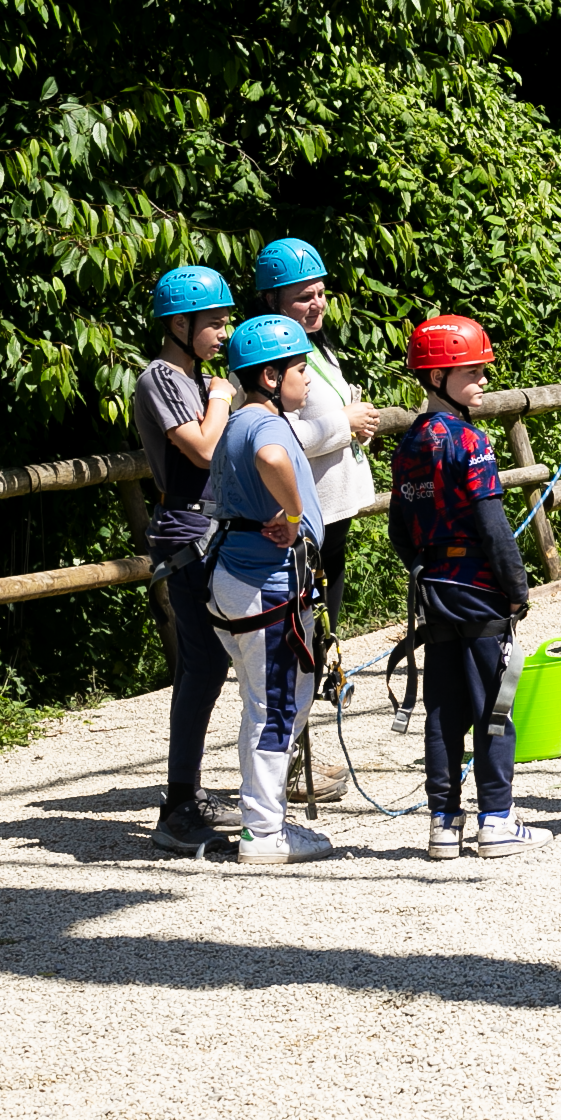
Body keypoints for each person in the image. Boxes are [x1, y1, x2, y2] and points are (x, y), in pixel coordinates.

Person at [390, 314, 547, 860]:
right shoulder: (470, 442)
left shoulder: (409, 442)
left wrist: (429, 565)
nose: (482, 380)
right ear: (437, 379)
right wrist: (516, 588)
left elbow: (397, 529)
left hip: (434, 589)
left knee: (443, 708)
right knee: (495, 706)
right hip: (479, 589)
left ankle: (442, 823)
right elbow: (493, 525)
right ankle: (497, 819)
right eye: (471, 371)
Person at [252, 236, 382, 806]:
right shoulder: (264, 362)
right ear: (274, 298)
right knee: (303, 632)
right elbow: (274, 438)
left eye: (321, 292)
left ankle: (304, 750)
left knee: (324, 629)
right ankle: (291, 757)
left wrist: (355, 422)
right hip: (305, 516)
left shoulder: (316, 350)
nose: (317, 303)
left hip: (336, 510)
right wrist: (344, 423)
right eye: (304, 295)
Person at [206, 314, 334, 865]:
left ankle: (267, 819)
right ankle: (263, 832)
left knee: (268, 703)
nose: (306, 380)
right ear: (269, 377)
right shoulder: (267, 427)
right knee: (275, 707)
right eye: (300, 369)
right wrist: (295, 511)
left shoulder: (236, 421)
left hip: (237, 580)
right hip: (266, 585)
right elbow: (273, 459)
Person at [135, 266, 243, 855]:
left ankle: (189, 792)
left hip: (216, 526)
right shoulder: (161, 378)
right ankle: (177, 806)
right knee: (201, 664)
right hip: (186, 533)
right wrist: (224, 398)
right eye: (215, 321)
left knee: (218, 663)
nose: (225, 331)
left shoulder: (199, 376)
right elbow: (201, 449)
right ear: (180, 324)